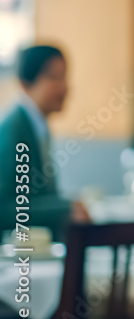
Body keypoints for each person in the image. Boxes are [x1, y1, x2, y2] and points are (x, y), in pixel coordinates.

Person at [0, 45, 88, 242]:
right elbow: (3, 207)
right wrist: (66, 208)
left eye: (64, 77)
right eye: (54, 77)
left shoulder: (37, 125)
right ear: (25, 83)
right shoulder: (14, 129)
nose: (65, 87)